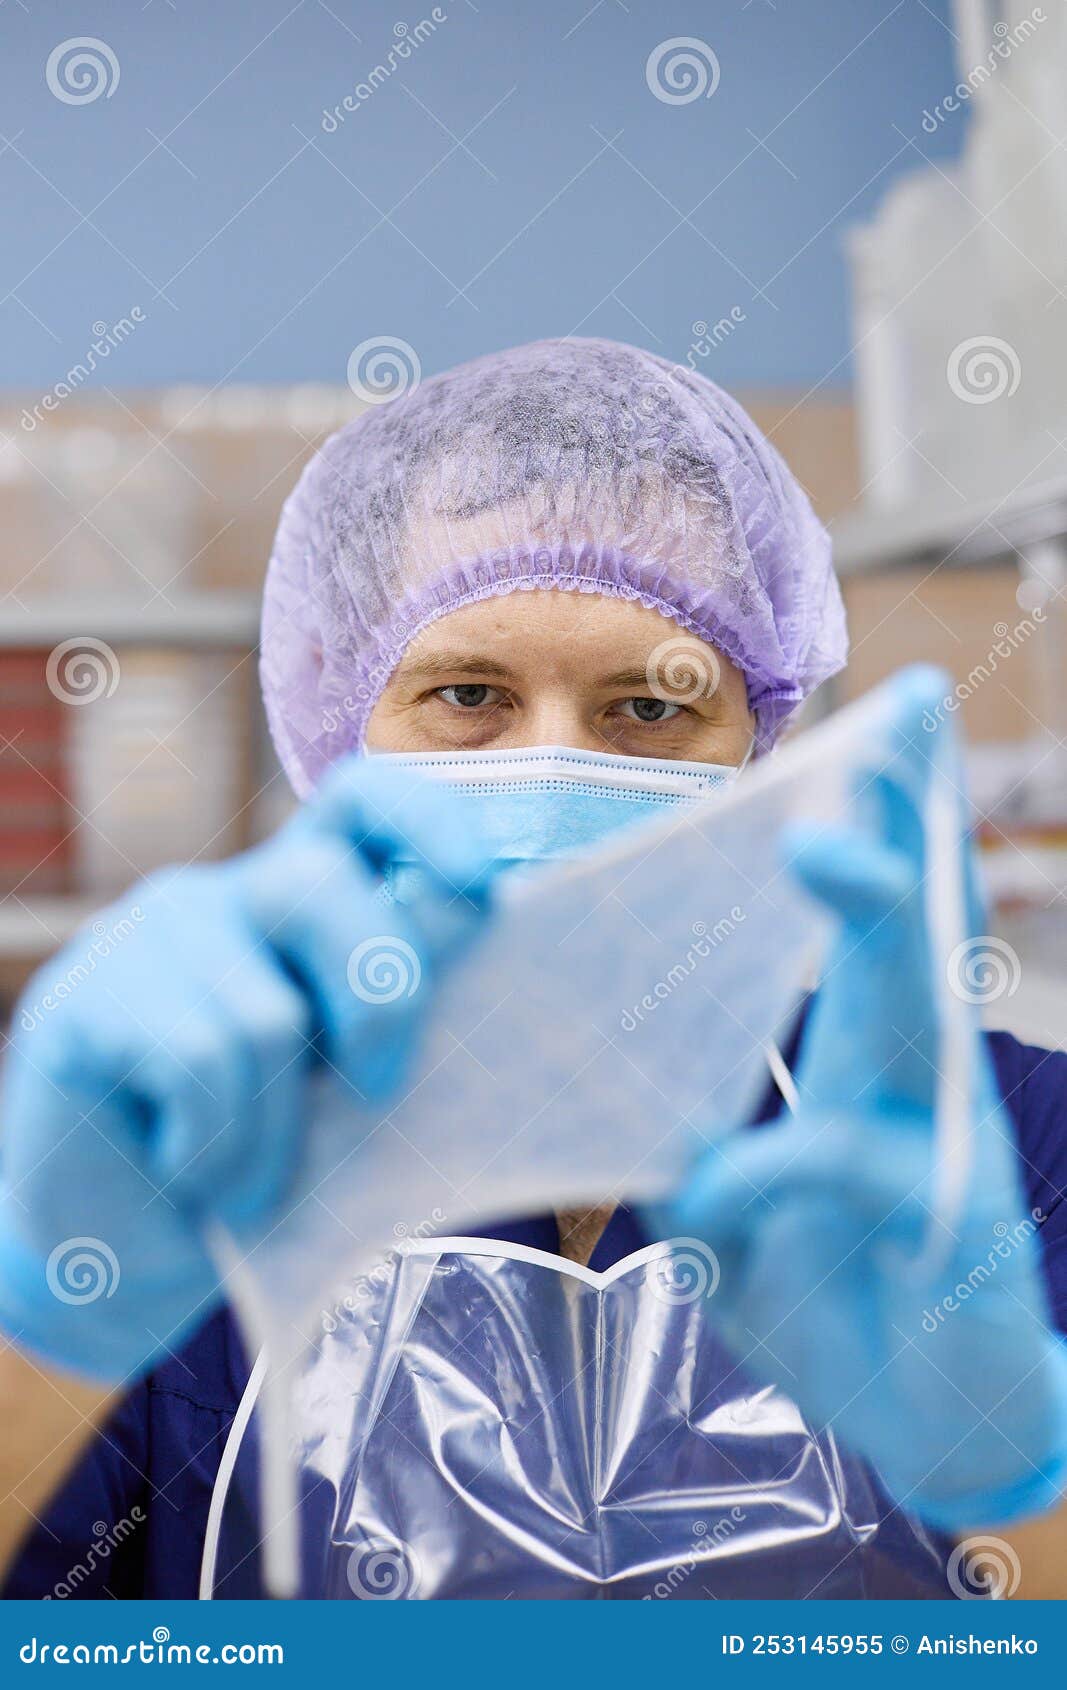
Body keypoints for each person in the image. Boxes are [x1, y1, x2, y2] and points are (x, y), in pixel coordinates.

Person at [1, 339, 1065, 1599]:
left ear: (759, 742)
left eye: (651, 706)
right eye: (466, 693)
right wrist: (54, 1322)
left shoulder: (997, 1143)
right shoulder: (198, 1165)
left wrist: (1004, 1466)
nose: (553, 764)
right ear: (340, 733)